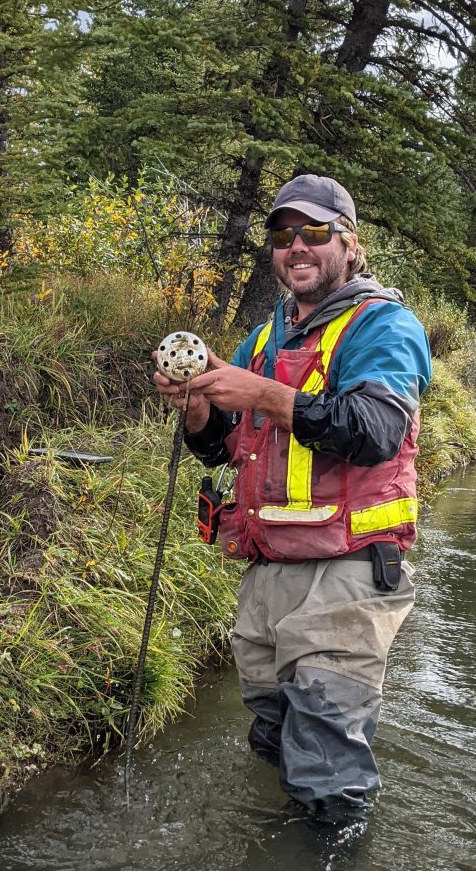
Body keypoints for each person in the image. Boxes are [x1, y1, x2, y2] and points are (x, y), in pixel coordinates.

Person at [153, 174, 432, 826]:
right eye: (283, 234)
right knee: (274, 740)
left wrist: (263, 395)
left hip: (348, 575)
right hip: (268, 578)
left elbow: (374, 431)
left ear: (349, 243)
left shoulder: (384, 326)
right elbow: (221, 449)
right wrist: (196, 408)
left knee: (326, 776)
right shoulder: (262, 339)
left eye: (314, 232)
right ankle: (274, 866)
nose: (296, 246)